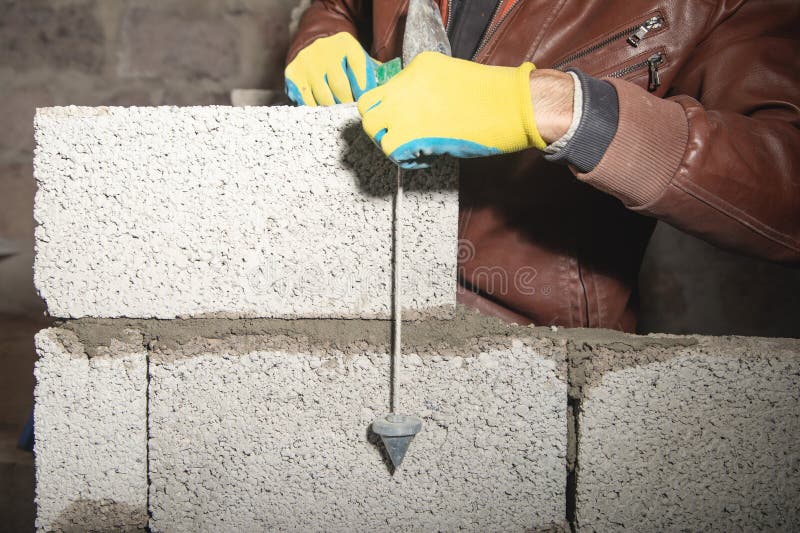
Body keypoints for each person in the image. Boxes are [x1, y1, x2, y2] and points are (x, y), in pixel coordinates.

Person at [284, 0, 800, 331]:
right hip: (358, 298)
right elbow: (338, 7)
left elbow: (785, 181)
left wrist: (562, 108)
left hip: (535, 345)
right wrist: (322, 40)